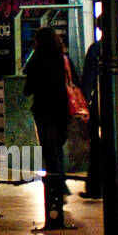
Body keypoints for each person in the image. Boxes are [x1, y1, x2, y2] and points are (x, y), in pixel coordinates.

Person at [80, 17, 118, 201]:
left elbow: (88, 80)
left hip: (102, 102)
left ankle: (96, 187)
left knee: (98, 144)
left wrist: (85, 104)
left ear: (99, 29)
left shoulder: (96, 49)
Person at [23, 27, 78, 225]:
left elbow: (27, 89)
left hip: (44, 111)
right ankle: (60, 185)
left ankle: (57, 188)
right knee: (58, 150)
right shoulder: (64, 59)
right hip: (63, 111)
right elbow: (75, 81)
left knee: (50, 151)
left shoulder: (36, 61)